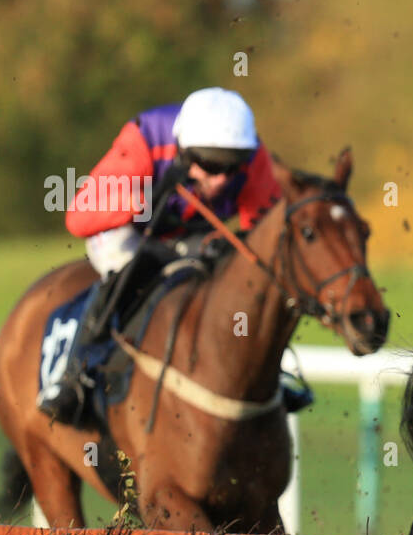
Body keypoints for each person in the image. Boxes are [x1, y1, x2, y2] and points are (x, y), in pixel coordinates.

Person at [38, 86, 307, 424]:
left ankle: (273, 369)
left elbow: (263, 236)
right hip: (129, 233)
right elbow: (78, 218)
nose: (222, 179)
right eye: (209, 165)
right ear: (182, 151)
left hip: (193, 235)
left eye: (232, 166)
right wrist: (142, 204)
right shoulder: (144, 138)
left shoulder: (253, 154)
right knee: (125, 264)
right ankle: (73, 375)